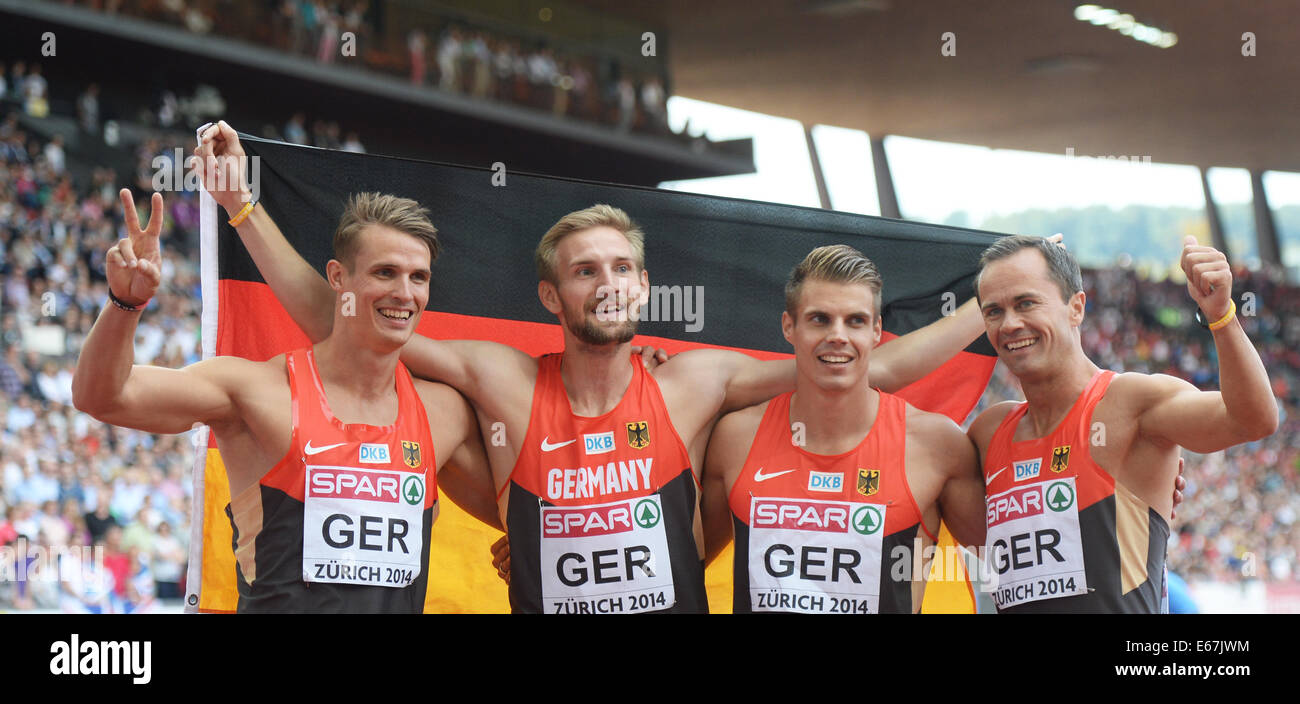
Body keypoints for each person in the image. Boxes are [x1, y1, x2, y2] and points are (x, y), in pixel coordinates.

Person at [196, 122, 990, 613]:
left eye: (620, 268)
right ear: (551, 293)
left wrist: (988, 304)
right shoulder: (503, 379)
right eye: (584, 271)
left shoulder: (695, 382)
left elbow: (864, 371)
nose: (606, 284)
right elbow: (350, 321)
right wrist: (243, 209)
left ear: (644, 285)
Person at [72, 184, 501, 613]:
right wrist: (124, 303)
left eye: (418, 277)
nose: (405, 293)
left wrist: (521, 555)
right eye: (384, 273)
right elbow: (104, 397)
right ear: (337, 277)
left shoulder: (443, 413)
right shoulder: (255, 391)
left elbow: (529, 514)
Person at [967, 235, 1276, 613]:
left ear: (1076, 307)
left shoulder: (1129, 403)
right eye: (993, 311)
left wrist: (1221, 315)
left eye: (1026, 303)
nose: (1010, 324)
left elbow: (1253, 420)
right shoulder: (988, 433)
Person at [701, 245, 986, 613]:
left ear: (877, 331)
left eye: (855, 321)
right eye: (820, 319)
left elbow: (1016, 564)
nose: (838, 335)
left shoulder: (935, 444)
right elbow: (681, 565)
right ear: (789, 326)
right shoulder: (736, 439)